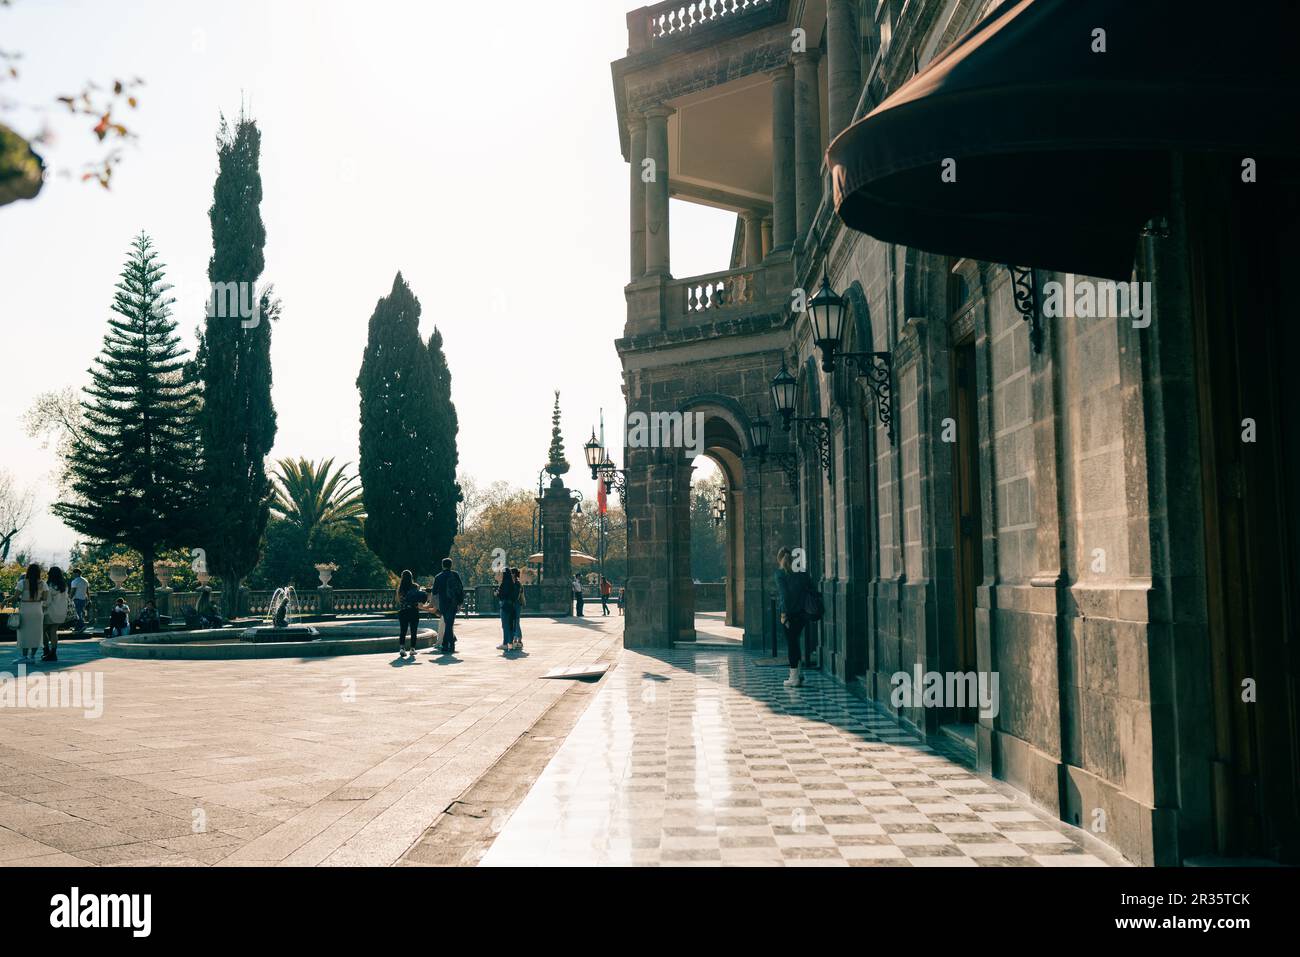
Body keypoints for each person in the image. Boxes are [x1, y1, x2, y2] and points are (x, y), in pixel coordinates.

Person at [775, 546, 815, 688]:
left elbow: (785, 595)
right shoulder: (802, 573)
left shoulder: (780, 574)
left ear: (780, 559)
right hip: (803, 613)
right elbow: (811, 588)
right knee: (796, 642)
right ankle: (799, 674)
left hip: (790, 614)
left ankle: (794, 678)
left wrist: (784, 614)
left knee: (792, 644)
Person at [14, 563, 47, 665]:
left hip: (25, 609)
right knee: (36, 633)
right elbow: (45, 598)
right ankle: (32, 656)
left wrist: (5, 600)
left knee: (24, 633)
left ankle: (24, 656)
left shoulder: (22, 583)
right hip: (37, 610)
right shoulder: (43, 584)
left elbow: (15, 597)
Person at [431, 557, 464, 654]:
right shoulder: (455, 574)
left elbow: (434, 592)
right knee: (449, 624)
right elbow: (461, 589)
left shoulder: (438, 577)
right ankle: (448, 645)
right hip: (454, 603)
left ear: (442, 565)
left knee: (448, 623)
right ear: (451, 565)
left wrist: (433, 604)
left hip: (444, 604)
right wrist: (460, 602)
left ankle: (447, 645)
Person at [395, 569, 426, 659]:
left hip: (403, 611)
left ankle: (402, 648)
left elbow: (399, 601)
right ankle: (412, 649)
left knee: (403, 631)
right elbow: (418, 598)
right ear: (411, 577)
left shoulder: (400, 588)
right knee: (413, 631)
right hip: (413, 611)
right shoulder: (415, 586)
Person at [42, 566, 70, 662]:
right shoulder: (64, 585)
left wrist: (41, 606)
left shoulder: (49, 585)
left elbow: (47, 600)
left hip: (50, 611)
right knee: (53, 632)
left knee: (41, 631)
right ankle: (53, 653)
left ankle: (46, 650)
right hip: (61, 612)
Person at [495, 566, 520, 654]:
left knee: (505, 625)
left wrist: (497, 592)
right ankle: (511, 643)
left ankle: (505, 643)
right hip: (512, 606)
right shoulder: (513, 584)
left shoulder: (504, 584)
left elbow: (501, 595)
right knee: (511, 625)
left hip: (505, 606)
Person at [68, 567, 89, 633]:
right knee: (80, 613)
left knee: (77, 614)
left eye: (73, 573)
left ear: (77, 573)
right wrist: (88, 598)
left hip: (77, 599)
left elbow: (73, 591)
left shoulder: (75, 581)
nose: (73, 575)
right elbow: (87, 591)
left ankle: (82, 625)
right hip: (83, 599)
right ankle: (77, 628)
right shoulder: (85, 580)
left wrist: (69, 599)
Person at [511, 568, 524, 651]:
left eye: (511, 573)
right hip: (517, 604)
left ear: (514, 574)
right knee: (516, 621)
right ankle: (518, 639)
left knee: (516, 621)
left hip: (516, 604)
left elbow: (516, 595)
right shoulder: (516, 583)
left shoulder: (517, 583)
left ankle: (518, 639)